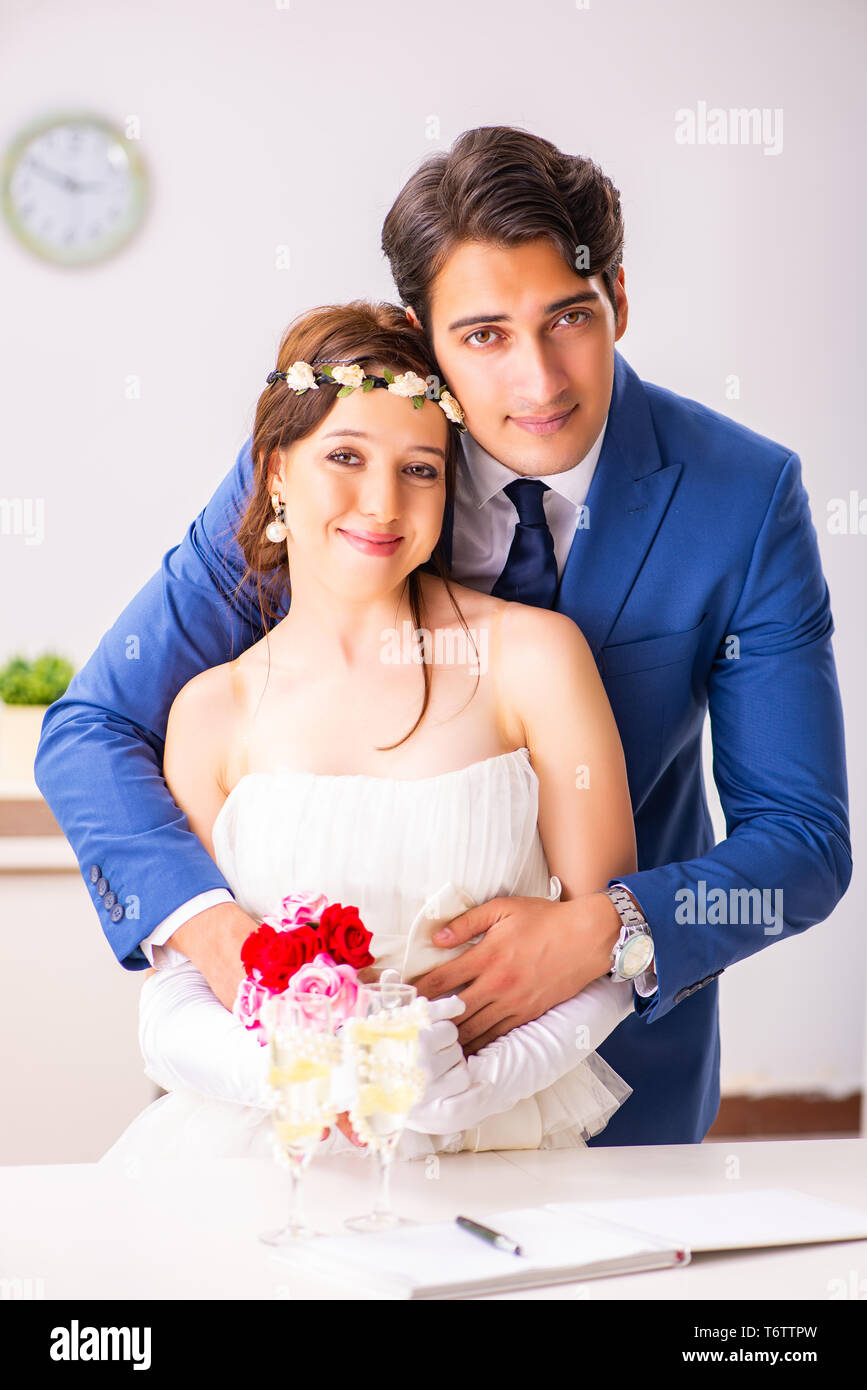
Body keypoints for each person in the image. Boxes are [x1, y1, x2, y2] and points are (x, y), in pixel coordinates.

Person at [35, 125, 851, 1148]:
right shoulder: (333, 468)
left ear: (621, 303)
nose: (539, 381)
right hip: (304, 1086)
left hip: (608, 1078)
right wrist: (232, 948)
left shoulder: (743, 495)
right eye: (483, 336)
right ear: (424, 333)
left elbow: (805, 843)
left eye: (570, 318)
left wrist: (608, 932)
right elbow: (93, 728)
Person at [97, 300, 638, 1164]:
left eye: (420, 469)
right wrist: (300, 1074)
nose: (382, 504)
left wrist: (465, 1090)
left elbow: (604, 947)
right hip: (259, 1152)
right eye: (345, 457)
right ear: (275, 472)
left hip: (493, 1143)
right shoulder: (209, 712)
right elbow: (174, 1004)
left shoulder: (533, 659)